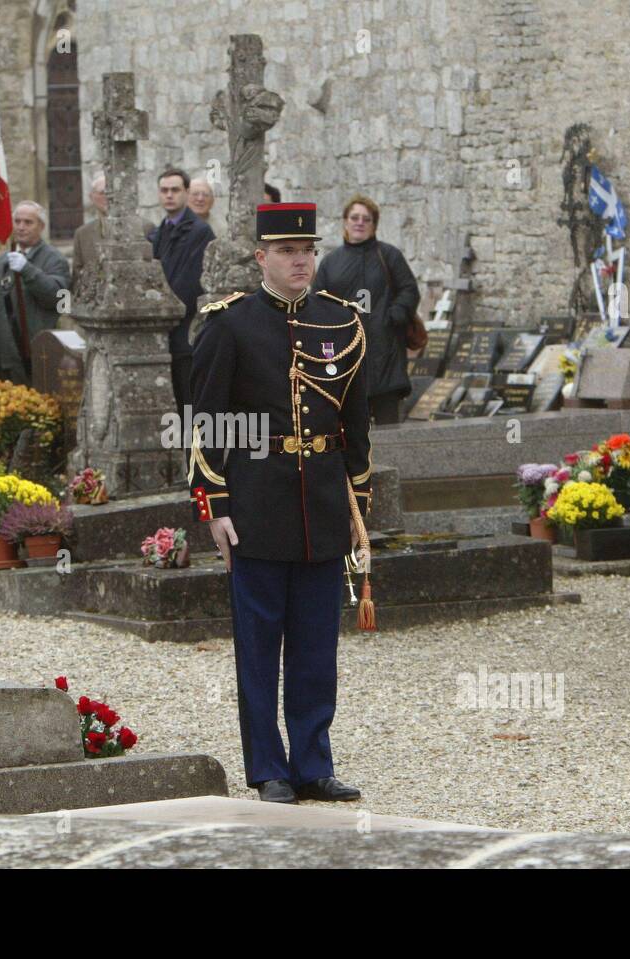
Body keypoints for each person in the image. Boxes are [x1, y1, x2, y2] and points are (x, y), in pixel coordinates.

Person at [189, 202, 371, 805]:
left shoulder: (340, 321)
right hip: (256, 505)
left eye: (308, 251)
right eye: (288, 252)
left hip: (321, 505)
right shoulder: (229, 323)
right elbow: (208, 421)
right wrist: (214, 502)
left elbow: (357, 423)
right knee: (261, 645)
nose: (301, 261)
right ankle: (268, 766)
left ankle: (314, 763)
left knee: (317, 646)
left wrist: (357, 505)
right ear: (261, 257)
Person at [314, 196, 420, 425]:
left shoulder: (389, 256)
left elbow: (409, 290)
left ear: (374, 225)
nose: (360, 223)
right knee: (350, 431)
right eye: (354, 218)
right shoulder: (331, 263)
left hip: (386, 354)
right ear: (345, 222)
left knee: (389, 428)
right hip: (346, 357)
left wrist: (394, 315)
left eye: (366, 219)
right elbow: (318, 301)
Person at [0, 200, 71, 385]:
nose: (21, 227)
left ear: (41, 226)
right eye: (17, 221)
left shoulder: (54, 260)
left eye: (28, 222)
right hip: (0, 361)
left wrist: (28, 270)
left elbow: (61, 301)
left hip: (36, 360)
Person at [147, 168, 215, 412]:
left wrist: (162, 306)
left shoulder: (199, 232)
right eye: (164, 190)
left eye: (175, 190)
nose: (169, 195)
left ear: (186, 193)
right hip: (162, 330)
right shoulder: (158, 231)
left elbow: (191, 283)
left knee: (189, 403)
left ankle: (195, 451)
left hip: (184, 331)